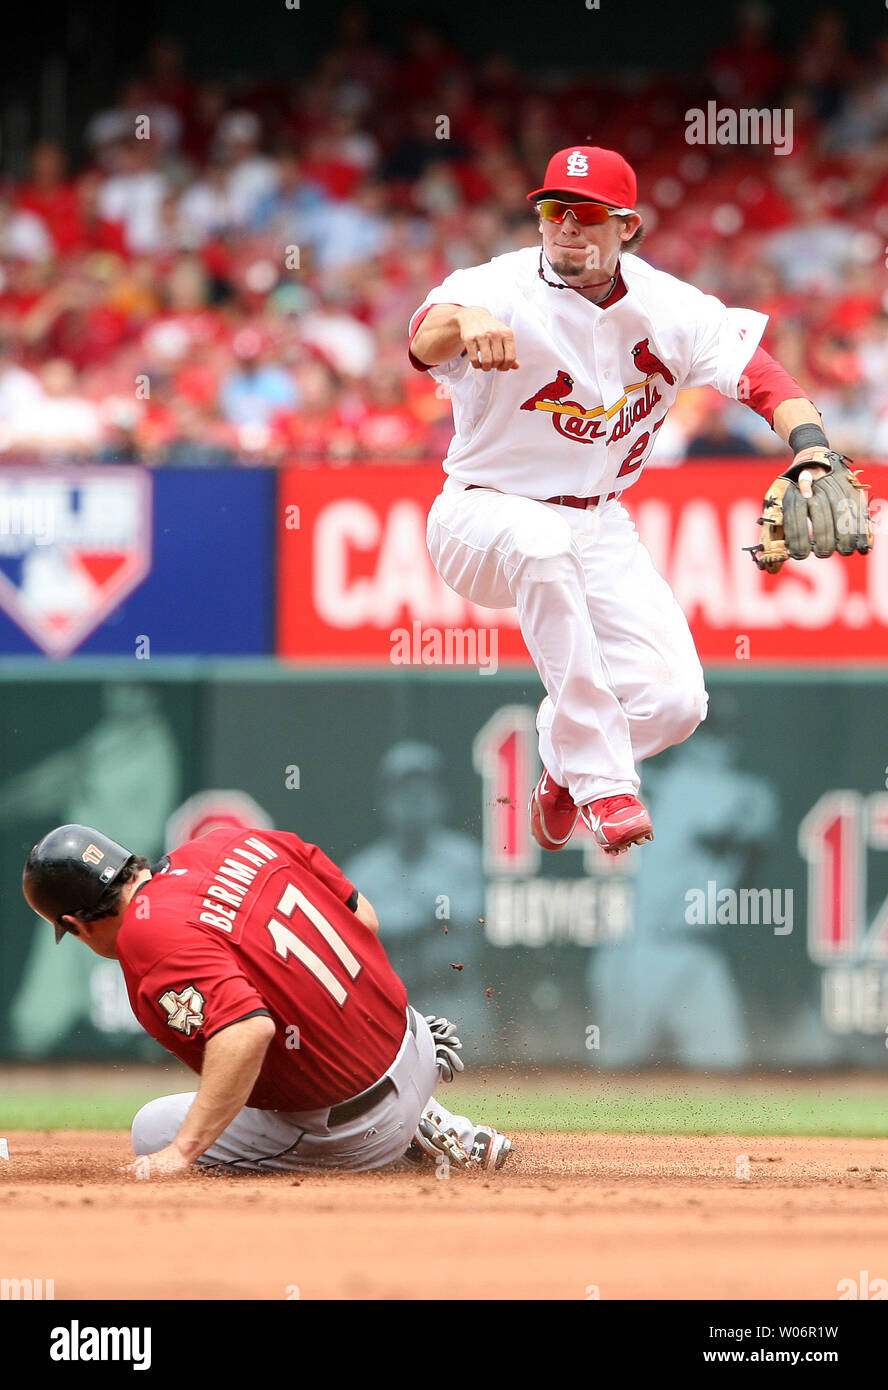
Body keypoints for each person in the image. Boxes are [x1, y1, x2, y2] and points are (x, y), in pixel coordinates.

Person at [409, 144, 854, 857]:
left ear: (628, 228)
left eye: (587, 216)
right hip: (479, 515)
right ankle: (603, 784)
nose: (567, 229)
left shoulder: (666, 306)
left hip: (598, 521)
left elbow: (762, 376)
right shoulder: (497, 285)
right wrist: (463, 323)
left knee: (675, 703)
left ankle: (560, 770)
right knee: (538, 543)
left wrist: (812, 446)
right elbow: (425, 337)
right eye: (555, 212)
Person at [21, 822, 512, 1177]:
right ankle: (431, 1119)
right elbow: (364, 921)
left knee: (154, 1129)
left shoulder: (144, 937)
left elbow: (247, 1031)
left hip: (354, 1128)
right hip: (415, 1042)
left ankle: (402, 1136)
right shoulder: (233, 841)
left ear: (76, 924)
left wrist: (182, 1154)